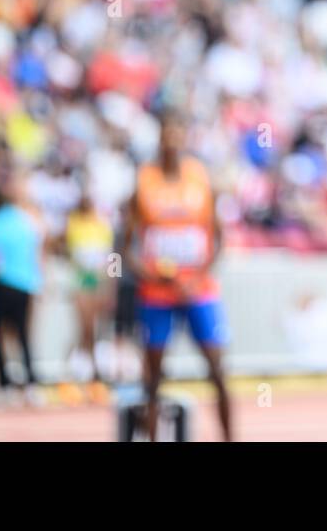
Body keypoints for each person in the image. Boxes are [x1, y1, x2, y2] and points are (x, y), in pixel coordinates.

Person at [123, 111, 232, 441]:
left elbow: (219, 238)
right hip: (157, 292)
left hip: (198, 289)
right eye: (166, 136)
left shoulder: (199, 178)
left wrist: (195, 278)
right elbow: (126, 247)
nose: (172, 142)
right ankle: (153, 435)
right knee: (153, 377)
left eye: (177, 136)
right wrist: (152, 275)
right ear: (158, 139)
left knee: (216, 368)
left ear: (185, 140)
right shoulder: (144, 181)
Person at [0, 178, 45, 401]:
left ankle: (4, 382)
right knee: (22, 334)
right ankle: (30, 382)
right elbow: (37, 254)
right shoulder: (28, 220)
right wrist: (38, 283)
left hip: (3, 282)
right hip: (26, 284)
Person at [63, 187, 114, 383]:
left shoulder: (102, 223)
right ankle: (87, 368)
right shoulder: (74, 222)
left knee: (95, 327)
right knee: (85, 326)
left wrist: (111, 282)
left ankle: (87, 367)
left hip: (98, 279)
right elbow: (70, 251)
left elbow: (111, 256)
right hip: (82, 279)